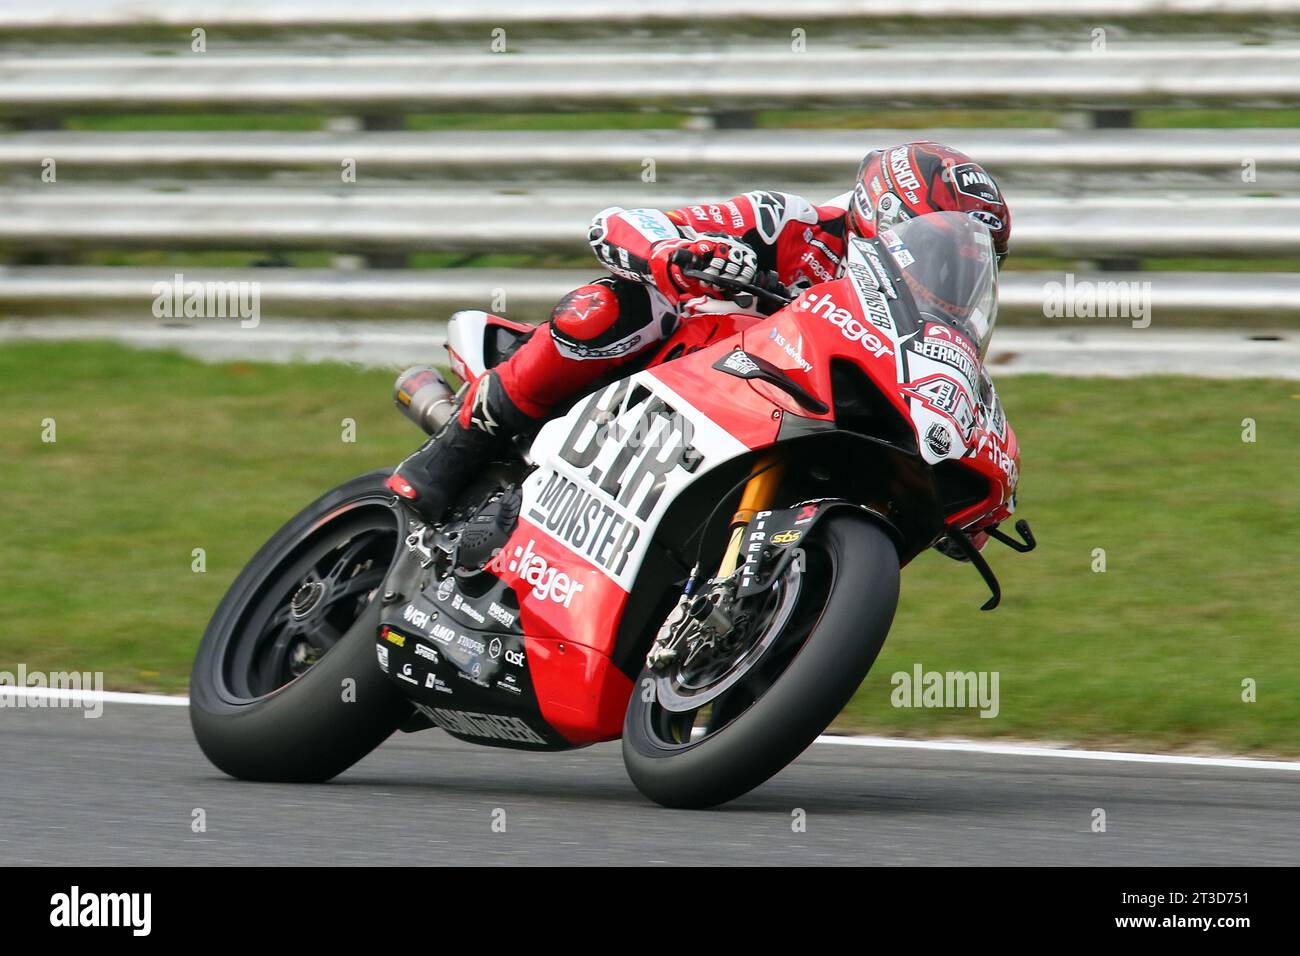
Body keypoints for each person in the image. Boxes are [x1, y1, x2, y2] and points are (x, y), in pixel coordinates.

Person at [386, 141, 1012, 523]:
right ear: (886, 213)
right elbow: (617, 223)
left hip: (767, 430)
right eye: (943, 246)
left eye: (969, 259)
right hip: (676, 374)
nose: (951, 266)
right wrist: (676, 254)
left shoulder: (923, 333)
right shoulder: (791, 224)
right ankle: (461, 444)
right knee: (622, 304)